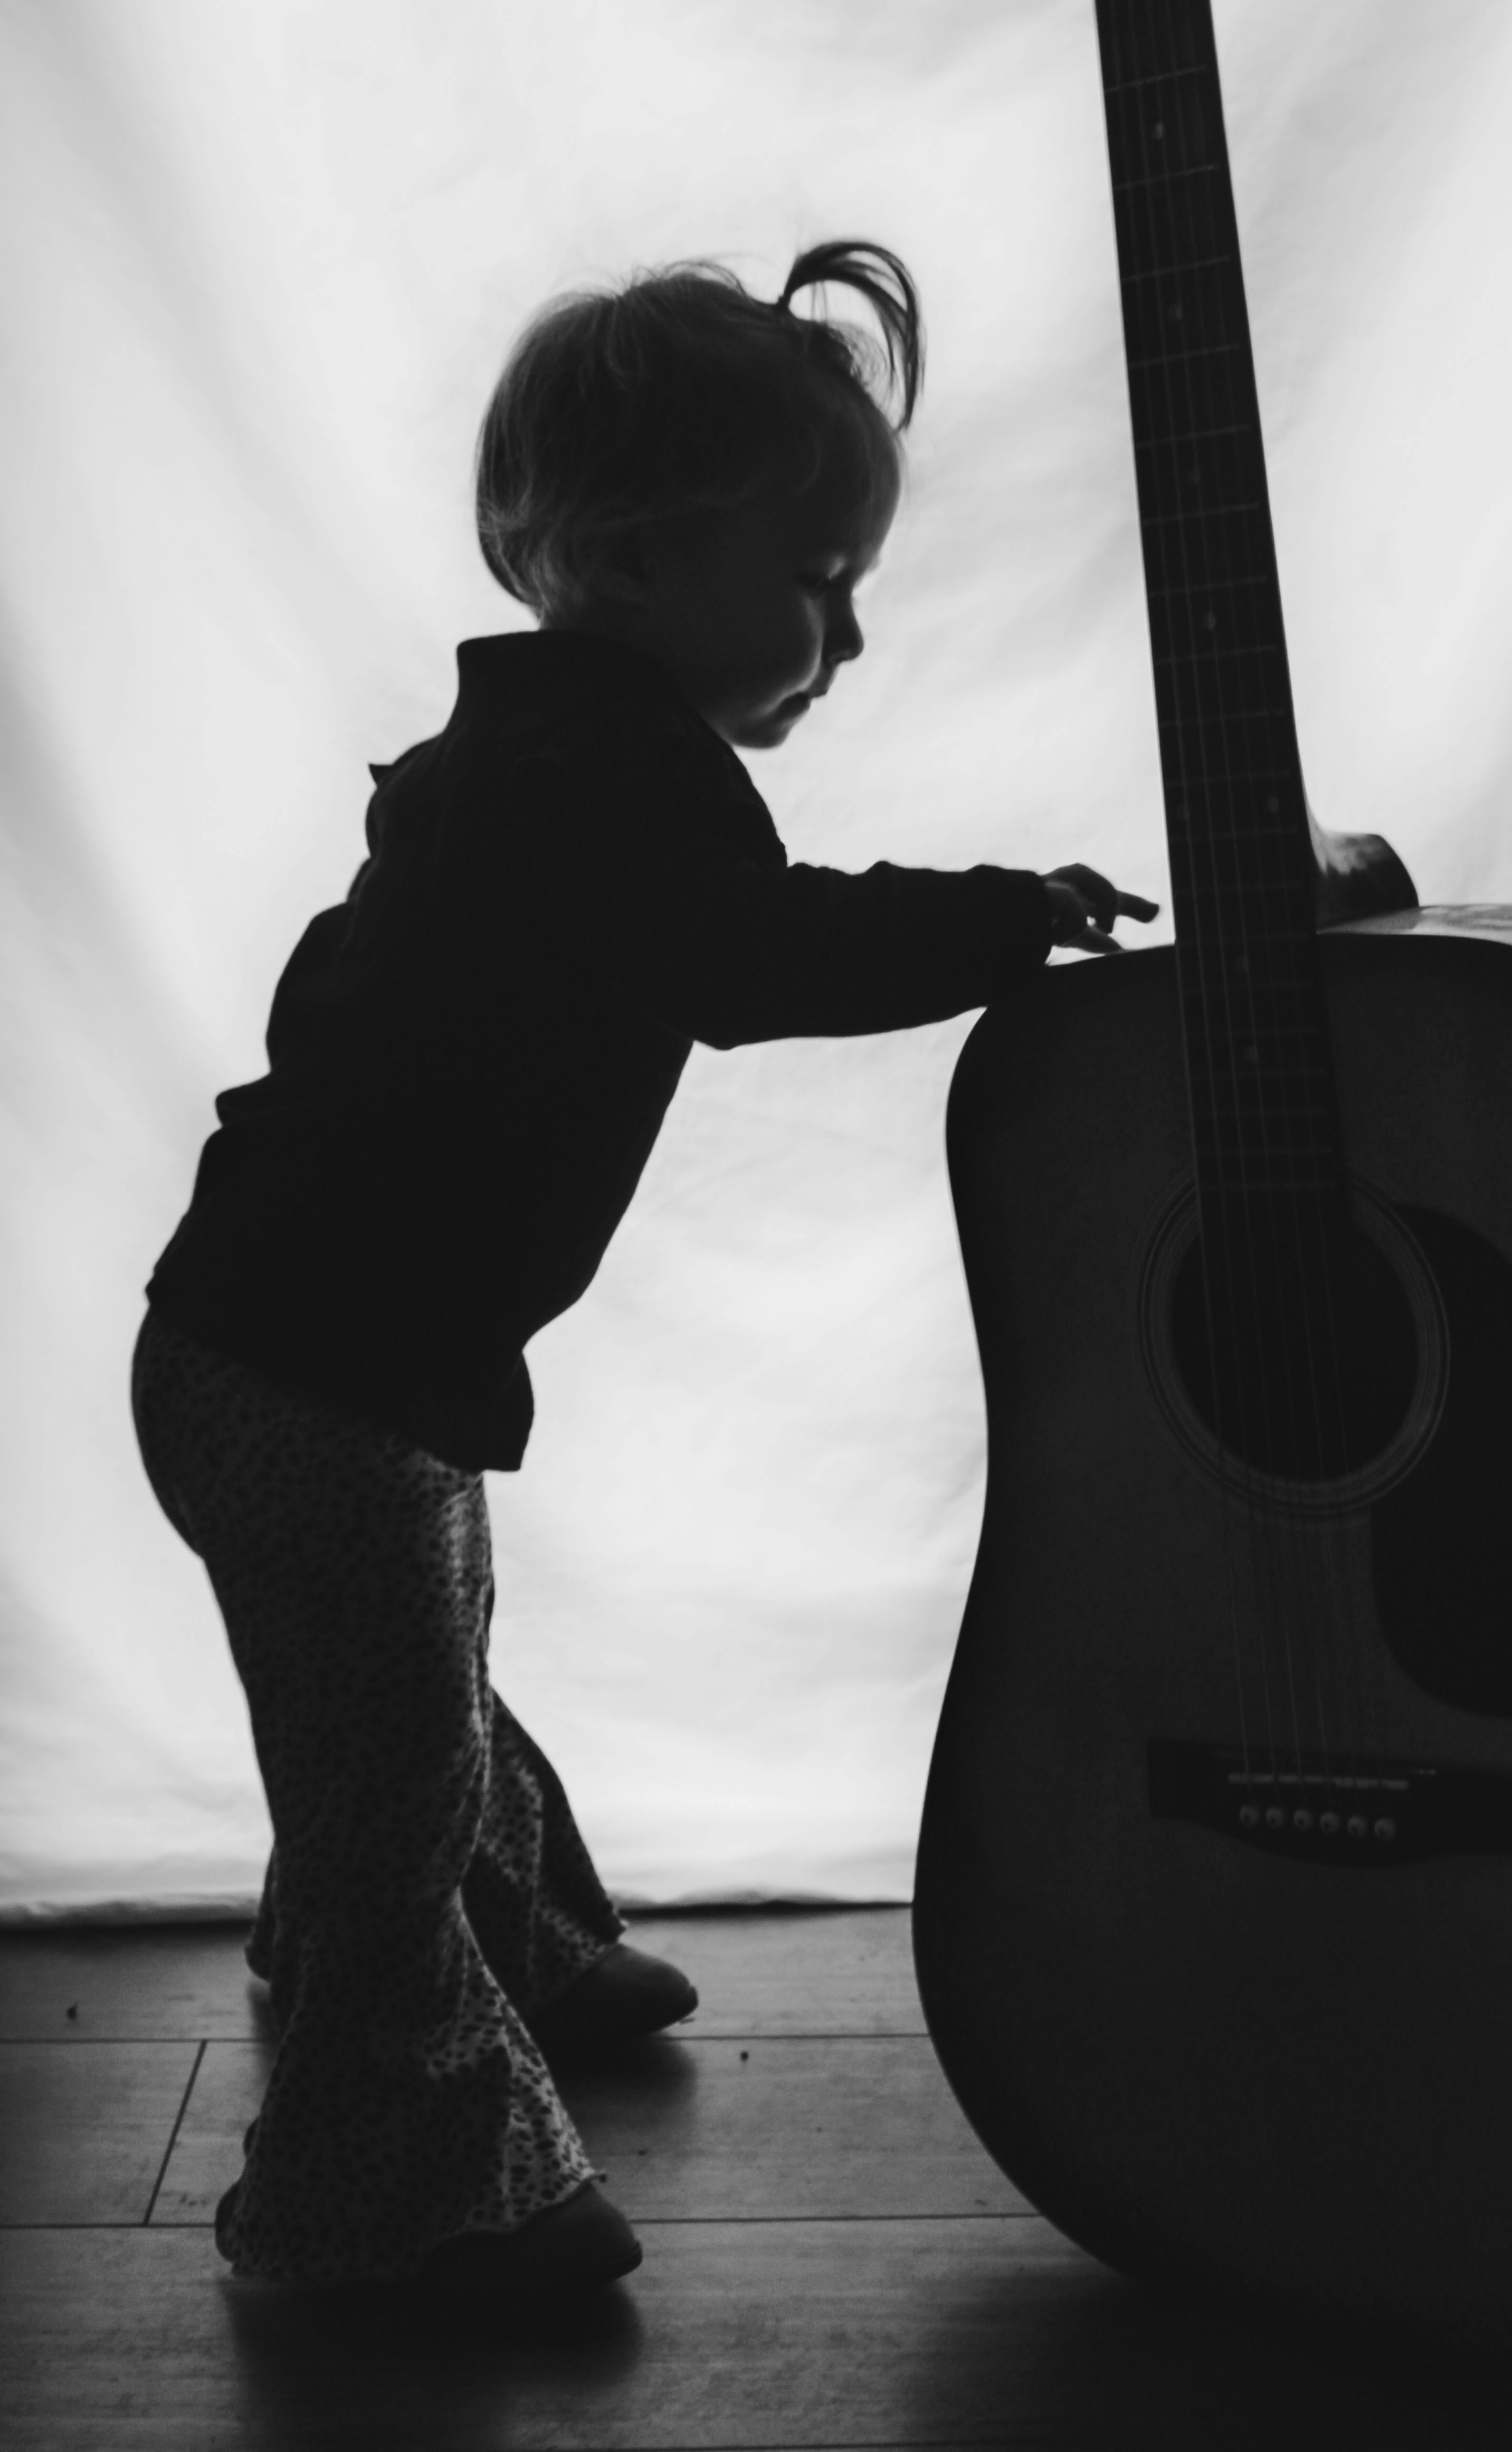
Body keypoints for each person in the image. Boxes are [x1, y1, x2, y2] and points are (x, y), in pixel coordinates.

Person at [130, 241, 1154, 2301]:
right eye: (815, 576)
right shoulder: (599, 784)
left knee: (415, 1666)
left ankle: (517, 1932)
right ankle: (377, 2188)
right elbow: (751, 958)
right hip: (308, 1360)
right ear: (632, 550)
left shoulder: (533, 755)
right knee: (392, 1743)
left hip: (306, 1346)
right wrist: (999, 920)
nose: (844, 633)